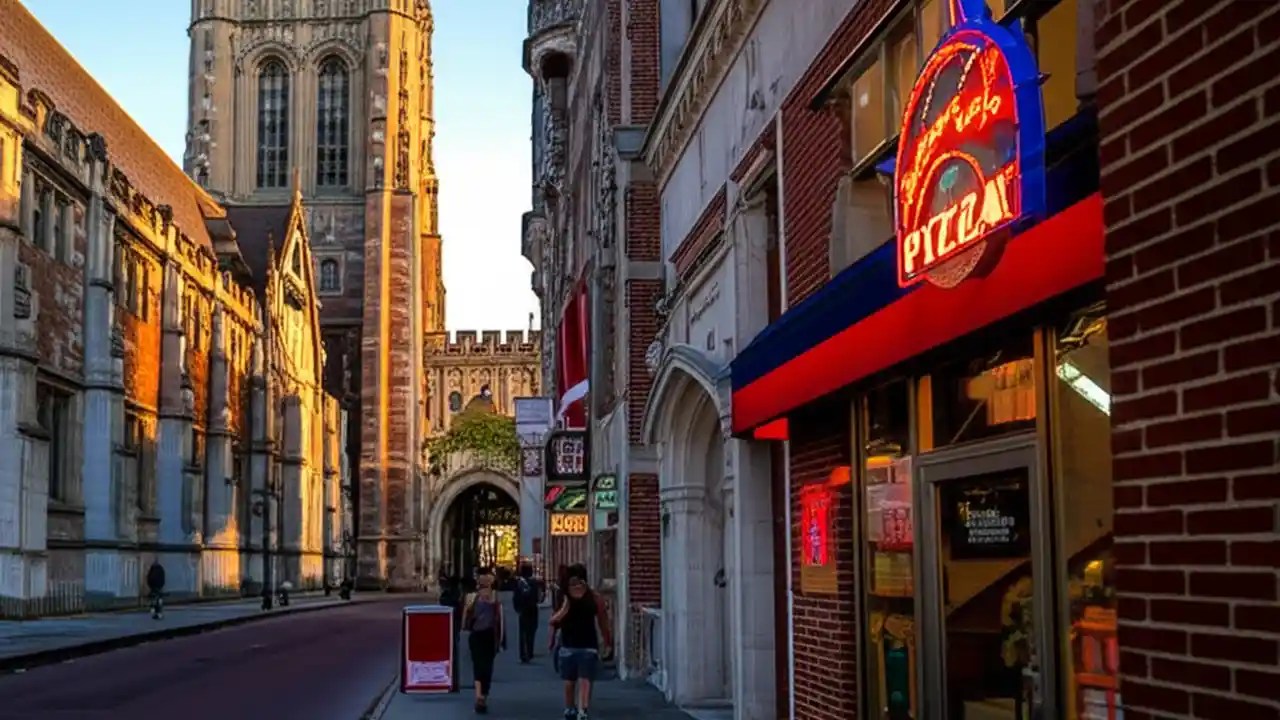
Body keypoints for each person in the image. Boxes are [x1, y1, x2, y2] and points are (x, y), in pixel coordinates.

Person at [549, 566, 612, 720]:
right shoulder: (594, 597)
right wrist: (607, 641)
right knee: (585, 680)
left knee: (569, 680)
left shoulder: (564, 597)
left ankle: (570, 708)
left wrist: (551, 640)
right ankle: (582, 710)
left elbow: (554, 621)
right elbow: (603, 621)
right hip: (588, 644)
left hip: (568, 644)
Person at [462, 569, 505, 714]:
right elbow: (500, 620)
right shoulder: (495, 598)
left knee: (478, 666)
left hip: (477, 635)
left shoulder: (472, 597)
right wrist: (501, 640)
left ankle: (480, 696)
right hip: (488, 636)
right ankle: (482, 696)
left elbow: (465, 619)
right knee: (486, 667)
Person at [513, 561, 544, 663]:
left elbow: (516, 597)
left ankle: (523, 653)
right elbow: (538, 598)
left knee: (523, 632)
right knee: (532, 631)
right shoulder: (534, 583)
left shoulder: (519, 583)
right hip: (533, 609)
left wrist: (517, 608)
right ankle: (530, 651)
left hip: (523, 610)